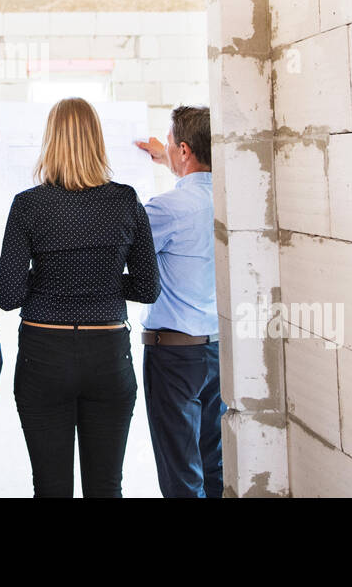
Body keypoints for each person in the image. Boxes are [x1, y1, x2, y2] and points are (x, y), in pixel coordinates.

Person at [0, 98, 160, 498]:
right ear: (97, 141)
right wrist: (101, 283)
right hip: (108, 353)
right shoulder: (126, 200)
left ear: (50, 142)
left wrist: (50, 279)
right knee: (106, 488)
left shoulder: (27, 205)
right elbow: (146, 288)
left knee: (50, 489)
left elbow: (8, 295)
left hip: (42, 355)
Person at [134, 105, 223, 497]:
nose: (166, 148)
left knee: (181, 476)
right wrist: (164, 157)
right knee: (213, 464)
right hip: (216, 352)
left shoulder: (166, 209)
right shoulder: (226, 200)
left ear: (185, 151)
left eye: (170, 144)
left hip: (173, 359)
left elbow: (122, 255)